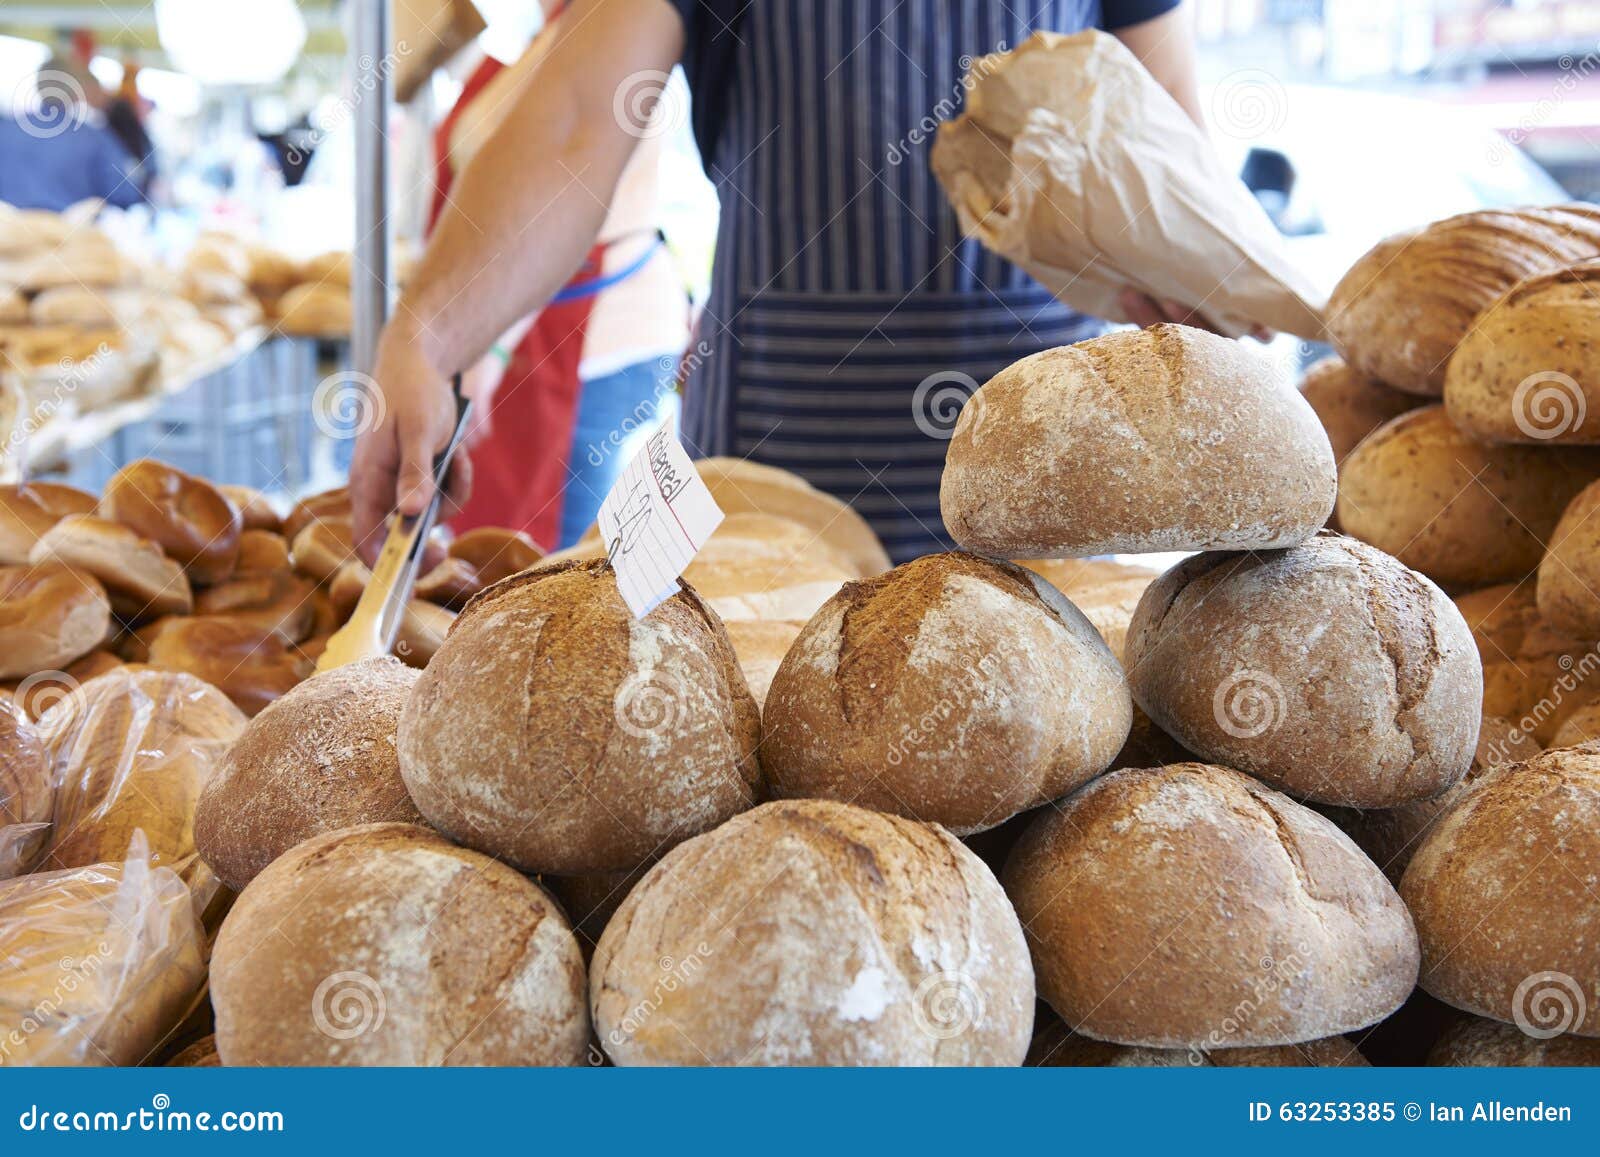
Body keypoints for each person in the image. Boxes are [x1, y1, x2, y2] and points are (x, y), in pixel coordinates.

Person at [353, 0, 1210, 564]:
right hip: (772, 468)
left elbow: (1167, 130)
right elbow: (577, 120)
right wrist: (425, 339)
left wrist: (1202, 275)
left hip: (1047, 467)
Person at [431, 1, 690, 548]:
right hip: (528, 325)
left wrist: (488, 345)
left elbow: (568, 214)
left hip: (600, 334)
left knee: (563, 562)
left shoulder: (620, 32)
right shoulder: (545, 39)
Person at [0, 59, 144, 212]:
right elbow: (125, 194)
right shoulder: (95, 139)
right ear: (76, 91)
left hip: (6, 231)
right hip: (64, 233)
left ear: (39, 86)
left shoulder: (5, 129)